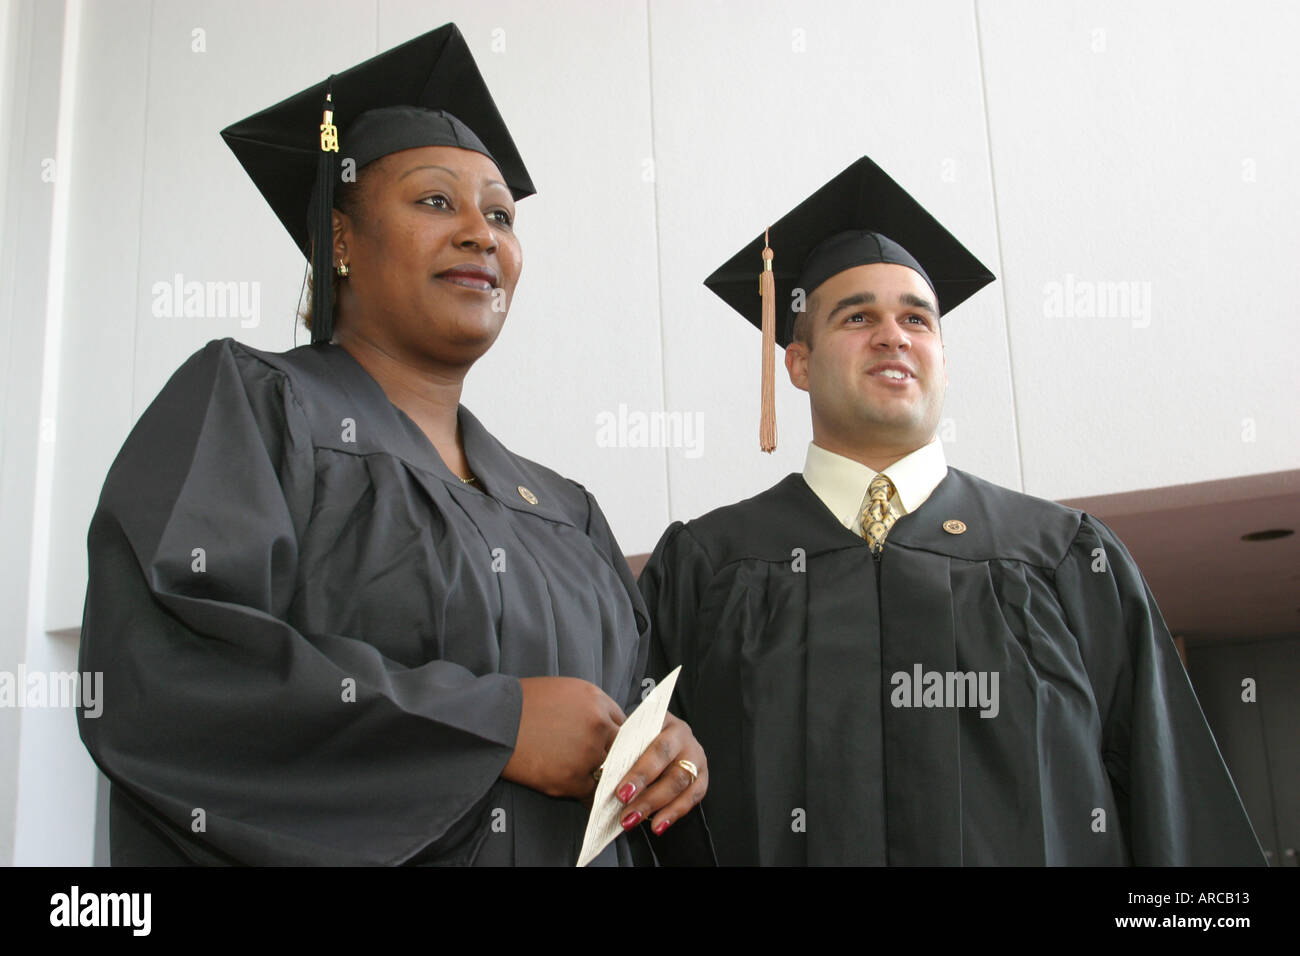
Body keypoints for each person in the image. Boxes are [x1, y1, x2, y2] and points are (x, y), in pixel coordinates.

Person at [77, 24, 708, 866]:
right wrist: (496, 724)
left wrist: (665, 754)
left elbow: (622, 705)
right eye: (435, 201)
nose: (481, 234)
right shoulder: (252, 408)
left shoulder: (565, 511)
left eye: (500, 214)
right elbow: (172, 672)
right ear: (339, 240)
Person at [639, 156, 1265, 865]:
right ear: (799, 362)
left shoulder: (1064, 558)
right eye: (857, 316)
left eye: (917, 317)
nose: (893, 334)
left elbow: (1172, 804)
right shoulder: (705, 569)